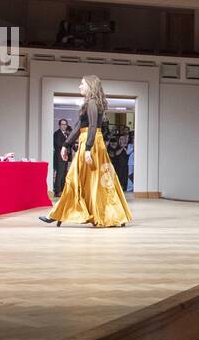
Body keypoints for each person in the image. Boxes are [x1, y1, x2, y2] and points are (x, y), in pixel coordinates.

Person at [42, 76, 133, 228]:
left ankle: (109, 214)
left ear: (90, 86)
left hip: (91, 143)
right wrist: (66, 144)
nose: (79, 86)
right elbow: (79, 126)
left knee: (82, 179)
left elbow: (92, 127)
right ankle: (59, 213)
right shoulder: (89, 103)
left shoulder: (92, 103)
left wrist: (88, 148)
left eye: (82, 84)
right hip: (89, 141)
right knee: (88, 179)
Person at [52, 118, 71, 196]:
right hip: (59, 156)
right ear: (59, 125)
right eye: (62, 124)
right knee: (59, 173)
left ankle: (63, 190)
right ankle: (57, 191)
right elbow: (58, 143)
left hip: (65, 156)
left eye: (65, 124)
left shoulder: (67, 134)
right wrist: (66, 144)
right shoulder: (57, 133)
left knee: (64, 174)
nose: (64, 126)